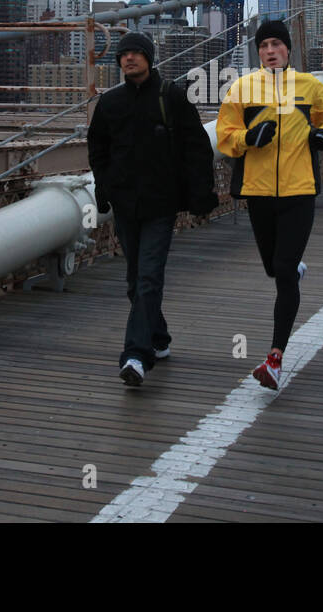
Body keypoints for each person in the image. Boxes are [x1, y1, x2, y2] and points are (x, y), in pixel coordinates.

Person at [217, 19, 323, 389]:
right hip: (257, 191)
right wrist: (248, 138)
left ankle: (274, 359)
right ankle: (293, 268)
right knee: (275, 267)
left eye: (277, 43)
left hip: (299, 190)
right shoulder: (242, 88)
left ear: (289, 49)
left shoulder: (309, 86)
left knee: (284, 271)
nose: (270, 50)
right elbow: (225, 136)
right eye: (264, 45)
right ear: (258, 52)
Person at [88, 32, 219, 387]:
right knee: (135, 281)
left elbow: (197, 148)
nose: (129, 58)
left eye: (136, 53)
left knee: (148, 278)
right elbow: (98, 151)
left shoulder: (171, 96)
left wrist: (202, 194)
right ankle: (158, 339)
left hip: (161, 205)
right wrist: (103, 190)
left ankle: (136, 355)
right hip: (126, 206)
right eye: (124, 53)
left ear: (149, 57)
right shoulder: (110, 103)